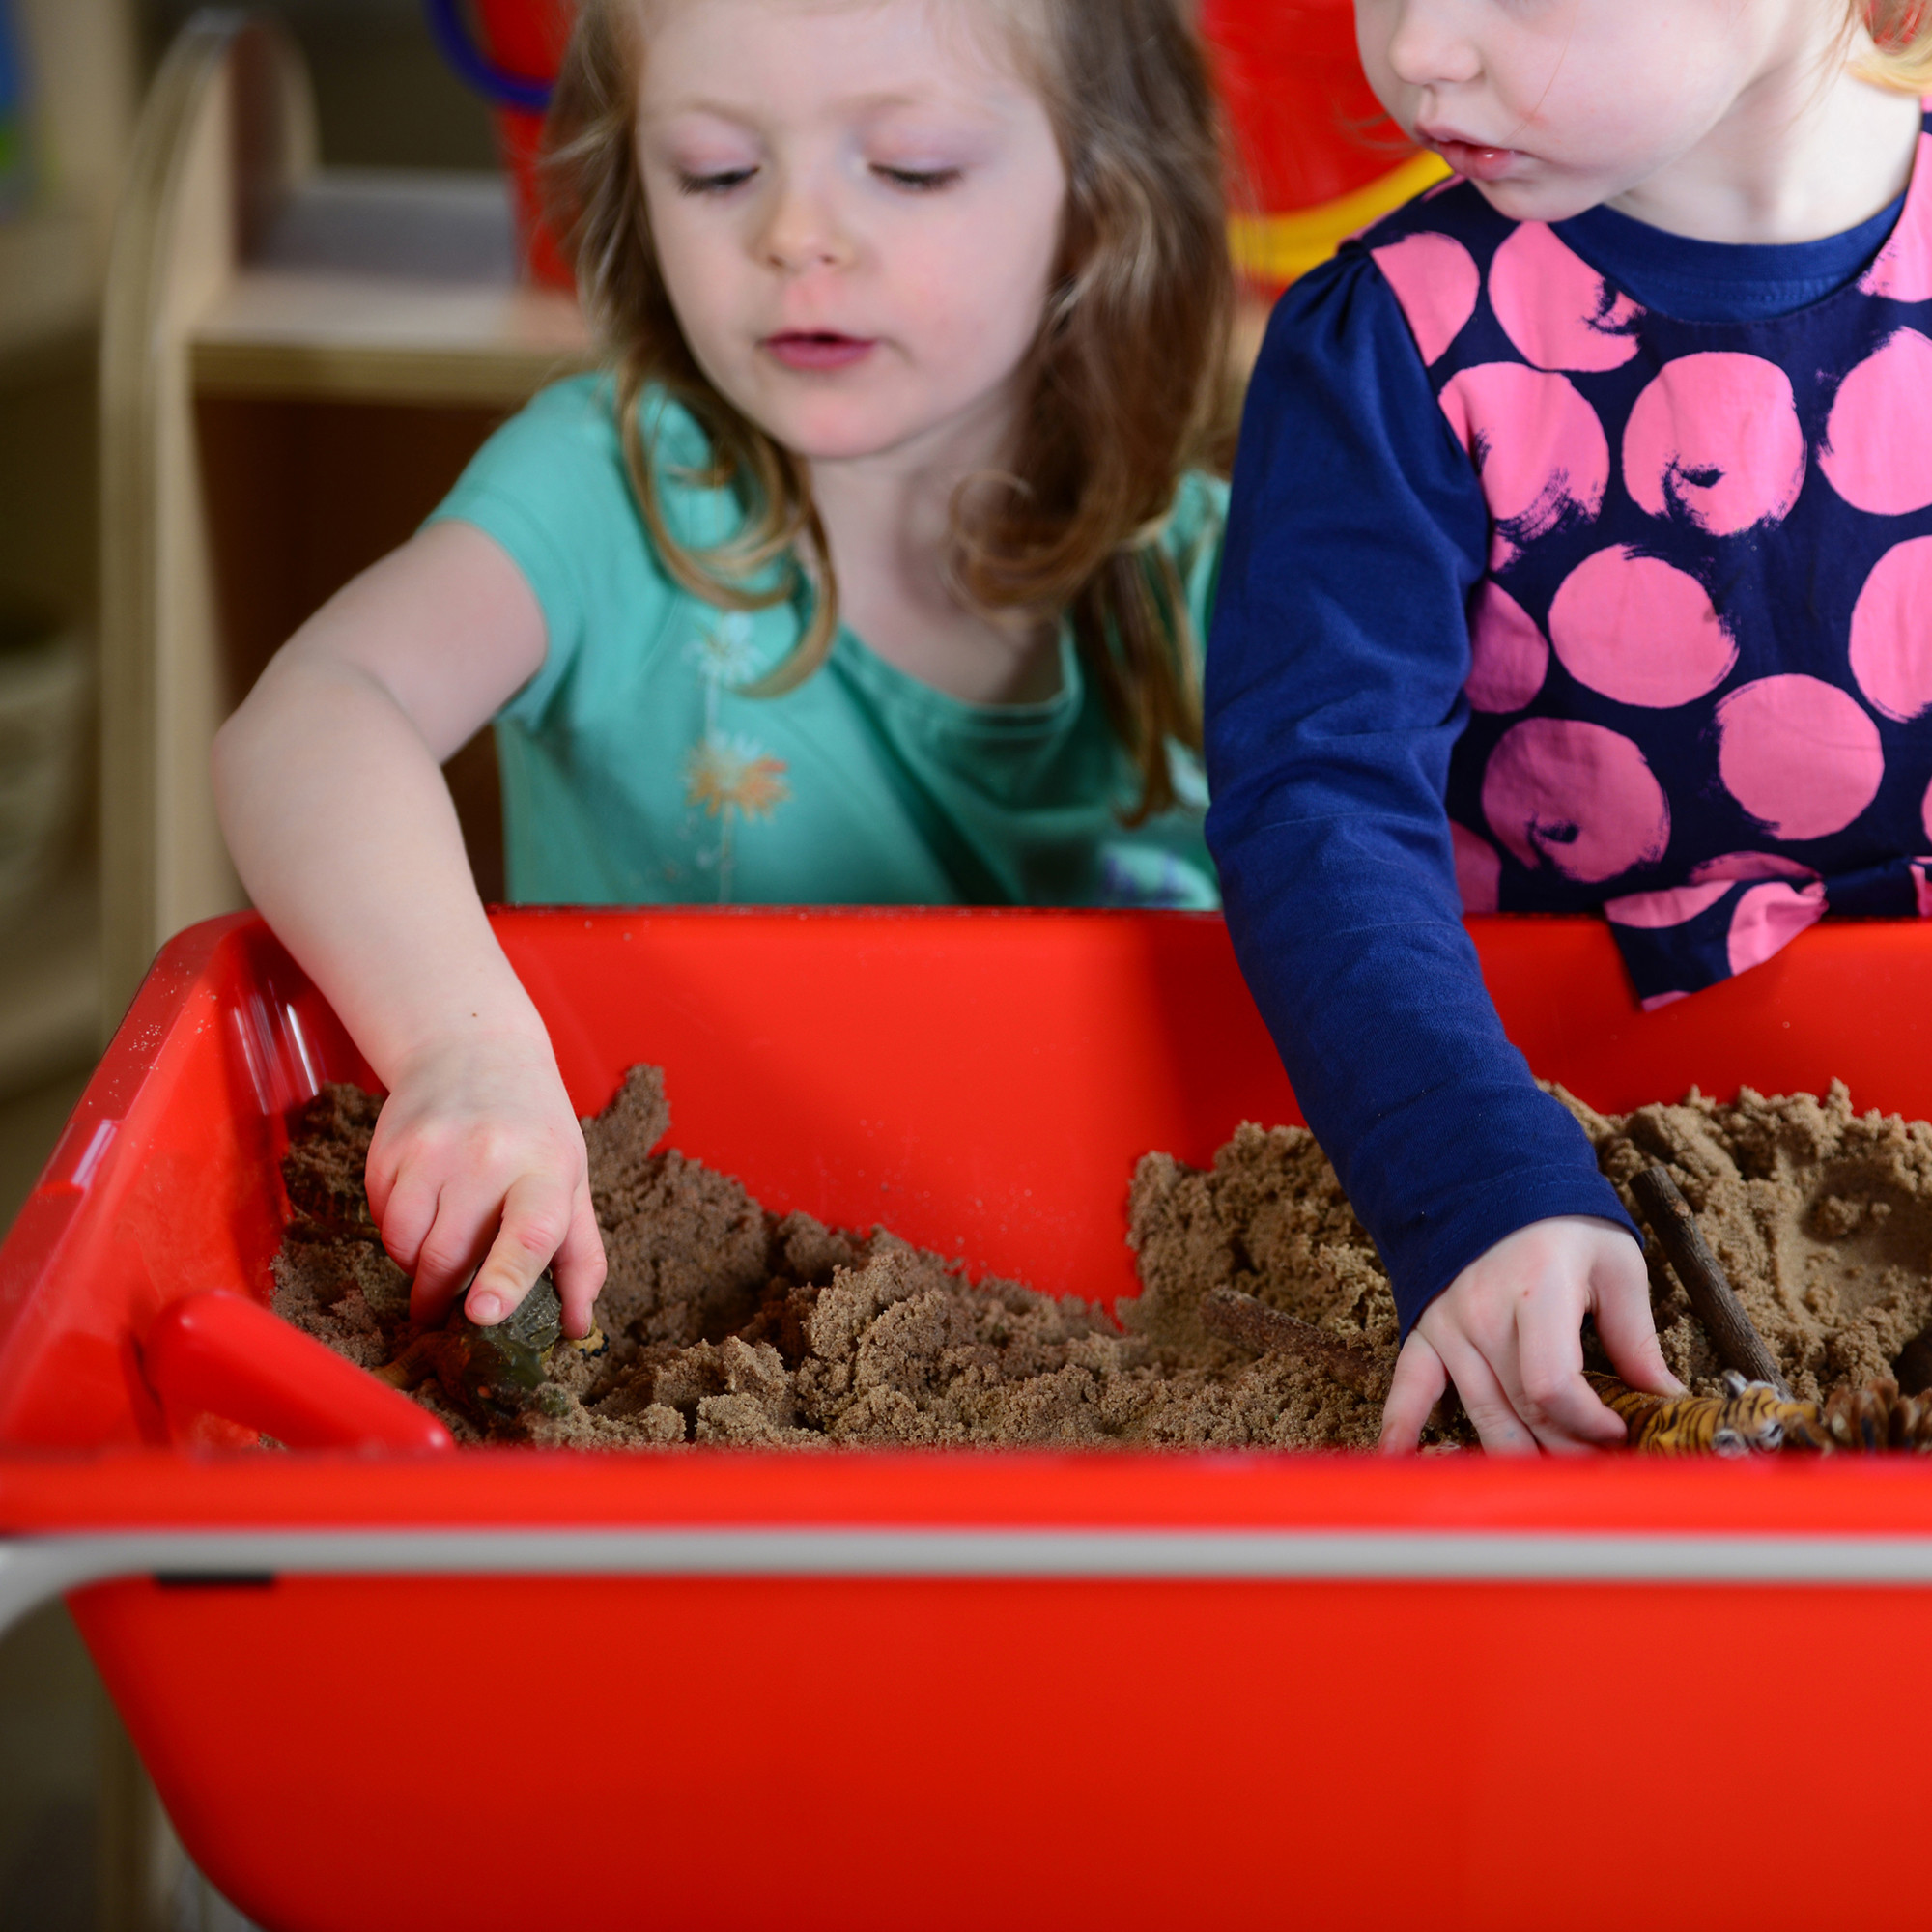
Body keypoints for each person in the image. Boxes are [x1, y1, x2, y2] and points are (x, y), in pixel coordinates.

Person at [213, 0, 1230, 1342]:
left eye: (910, 166)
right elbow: (317, 714)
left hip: (1109, 1314)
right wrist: (461, 1049)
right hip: (651, 1309)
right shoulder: (608, 489)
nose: (793, 234)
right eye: (717, 170)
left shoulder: (1214, 571)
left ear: (1100, 197)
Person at [1208, 0, 1932, 1455]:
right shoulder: (1399, 339)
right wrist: (1468, 1184)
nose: (1419, 48)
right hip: (1523, 1089)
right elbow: (1321, 793)